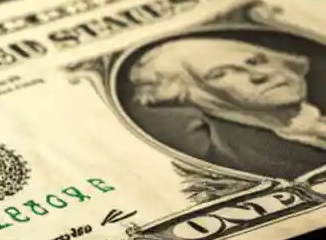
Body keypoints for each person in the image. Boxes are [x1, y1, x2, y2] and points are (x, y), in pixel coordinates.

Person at [127, 36, 326, 179]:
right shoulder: (244, 160)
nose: (257, 75)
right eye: (220, 74)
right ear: (197, 95)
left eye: (254, 61)